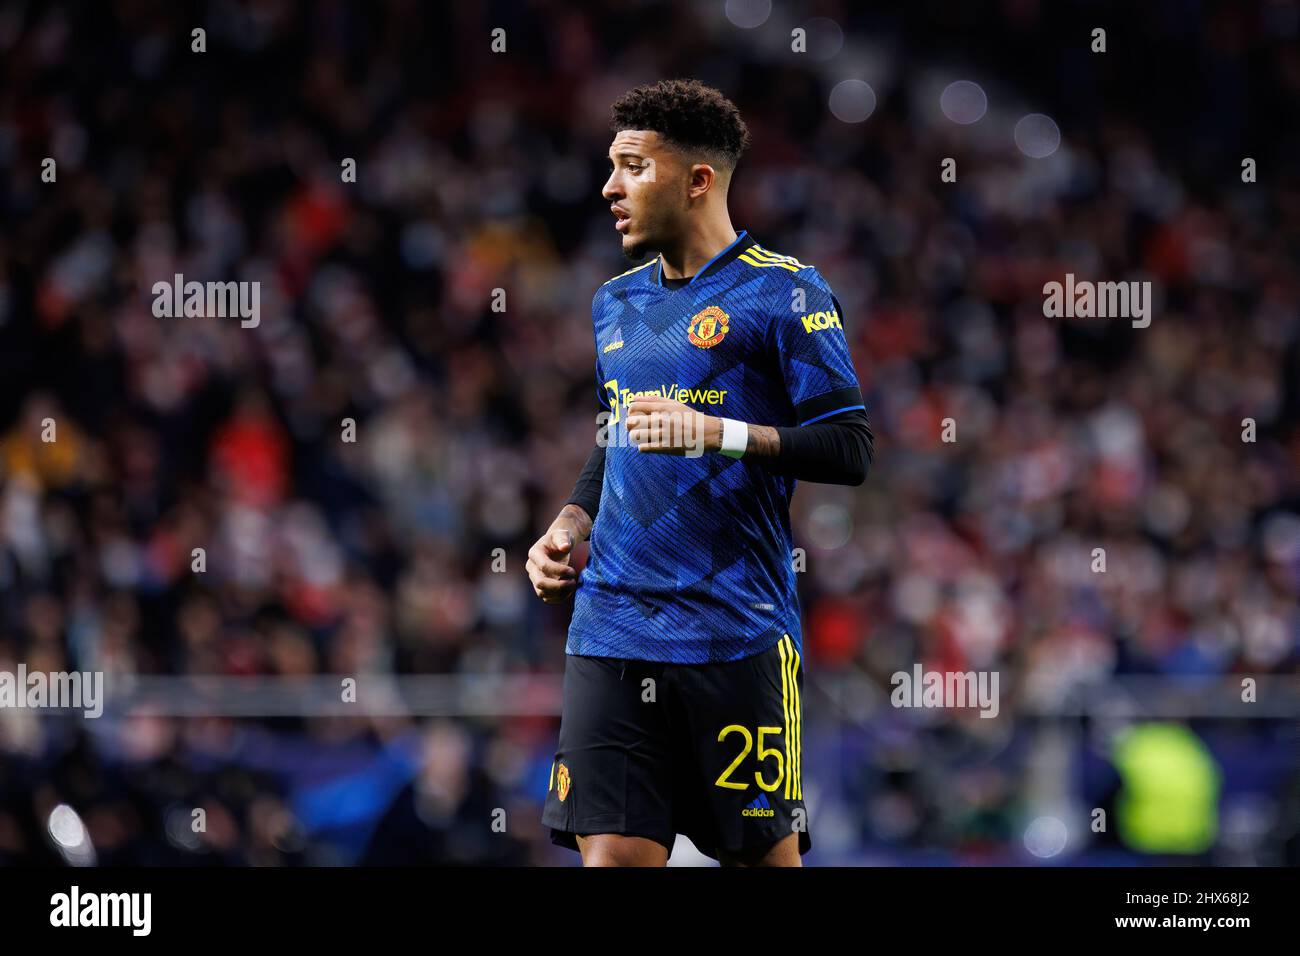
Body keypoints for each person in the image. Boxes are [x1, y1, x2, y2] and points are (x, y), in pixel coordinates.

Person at [527, 79, 873, 867]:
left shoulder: (785, 292)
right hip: (611, 624)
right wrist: (571, 522)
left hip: (734, 632)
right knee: (613, 856)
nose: (609, 187)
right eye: (610, 166)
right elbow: (617, 435)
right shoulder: (614, 304)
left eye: (631, 167)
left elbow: (849, 448)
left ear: (697, 180)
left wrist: (720, 432)